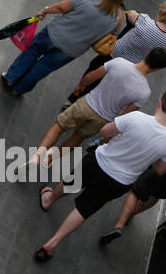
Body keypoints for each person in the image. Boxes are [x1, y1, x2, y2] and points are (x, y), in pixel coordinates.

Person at [34, 97, 166, 261]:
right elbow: (159, 169)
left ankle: (49, 199)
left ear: (160, 102)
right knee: (85, 209)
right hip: (120, 181)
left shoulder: (137, 118)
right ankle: (52, 244)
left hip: (99, 161)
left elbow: (105, 131)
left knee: (72, 182)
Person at [33, 50, 166, 179]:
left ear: (147, 54)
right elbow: (126, 115)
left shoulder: (120, 62)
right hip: (103, 120)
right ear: (158, 69)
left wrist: (81, 85)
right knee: (78, 137)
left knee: (59, 126)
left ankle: (37, 157)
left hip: (87, 104)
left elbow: (92, 76)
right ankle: (50, 159)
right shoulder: (144, 92)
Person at [2, 0, 132, 97]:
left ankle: (11, 78)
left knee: (32, 51)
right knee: (43, 68)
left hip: (53, 33)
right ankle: (18, 90)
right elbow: (109, 38)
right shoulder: (120, 19)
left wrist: (45, 10)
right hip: (72, 50)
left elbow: (62, 7)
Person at [100, 163, 166, 245]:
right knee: (156, 196)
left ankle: (119, 226)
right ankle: (131, 213)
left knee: (135, 193)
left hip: (162, 168)